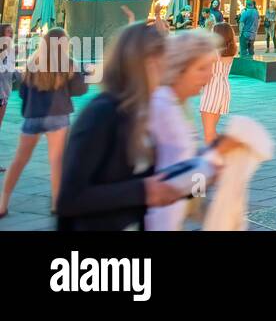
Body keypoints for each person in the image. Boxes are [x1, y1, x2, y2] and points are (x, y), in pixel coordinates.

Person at [56, 22, 189, 231]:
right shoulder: (102, 113)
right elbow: (69, 199)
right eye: (163, 65)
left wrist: (203, 177)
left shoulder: (140, 112)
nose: (166, 76)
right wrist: (143, 191)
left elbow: (164, 179)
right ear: (145, 64)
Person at [0, 29, 88, 218]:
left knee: (18, 161)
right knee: (56, 162)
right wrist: (84, 74)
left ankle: (2, 203)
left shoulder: (32, 63)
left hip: (33, 116)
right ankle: (56, 205)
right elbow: (79, 90)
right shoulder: (68, 64)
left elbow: (23, 93)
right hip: (58, 116)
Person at [148, 30, 222, 231]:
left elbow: (186, 161)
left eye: (211, 67)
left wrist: (198, 206)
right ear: (180, 68)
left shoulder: (180, 106)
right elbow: (160, 173)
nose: (209, 74)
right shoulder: (160, 106)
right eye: (201, 68)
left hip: (172, 220)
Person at [199, 23, 236, 144]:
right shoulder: (231, 52)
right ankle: (223, 155)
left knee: (208, 135)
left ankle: (219, 157)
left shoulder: (213, 52)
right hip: (223, 88)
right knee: (212, 131)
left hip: (212, 89)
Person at [0, 24, 13, 173]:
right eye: (8, 31)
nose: (10, 34)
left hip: (4, 94)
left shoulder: (10, 52)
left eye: (11, 32)